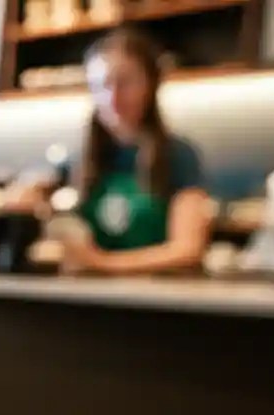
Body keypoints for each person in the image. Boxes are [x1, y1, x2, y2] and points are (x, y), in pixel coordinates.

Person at [63, 28, 211, 274]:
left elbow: (188, 249)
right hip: (90, 301)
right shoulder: (82, 159)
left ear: (151, 85)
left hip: (157, 301)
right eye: (101, 85)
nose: (113, 97)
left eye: (126, 82)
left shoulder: (179, 154)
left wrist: (104, 263)